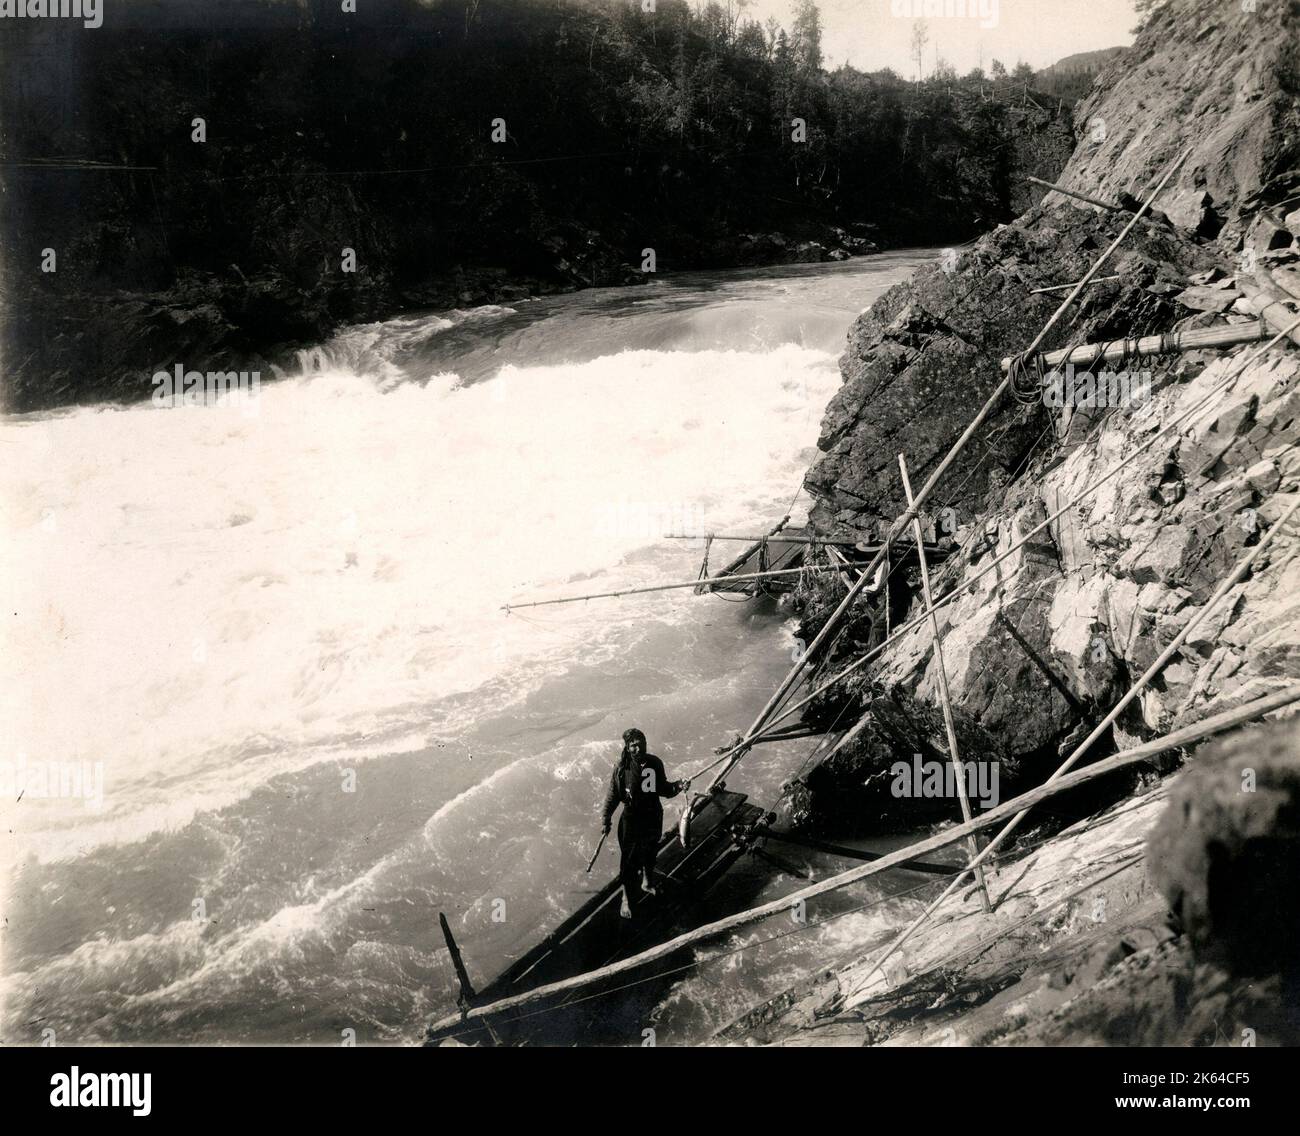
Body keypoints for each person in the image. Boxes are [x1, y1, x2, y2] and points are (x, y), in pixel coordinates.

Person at [601, 728, 687, 918]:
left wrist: (679, 786)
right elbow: (613, 795)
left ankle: (647, 883)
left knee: (650, 853)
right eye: (633, 745)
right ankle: (626, 899)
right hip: (631, 819)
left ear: (646, 743)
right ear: (628, 748)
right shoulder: (621, 768)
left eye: (641, 744)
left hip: (653, 815)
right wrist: (606, 818)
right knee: (629, 863)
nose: (638, 748)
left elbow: (664, 789)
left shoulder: (655, 763)